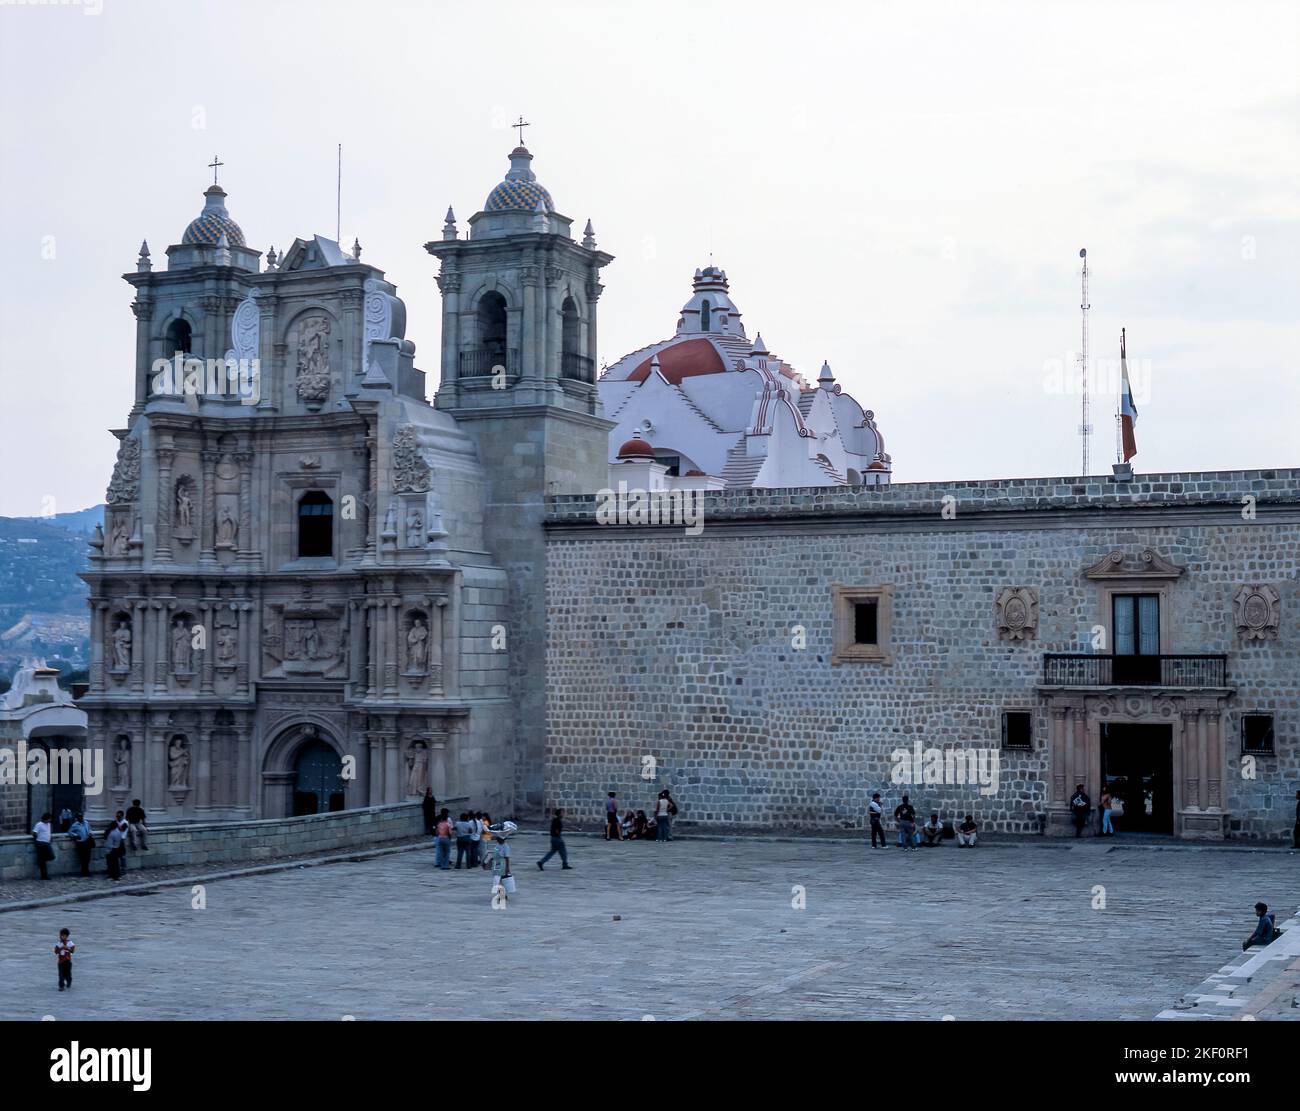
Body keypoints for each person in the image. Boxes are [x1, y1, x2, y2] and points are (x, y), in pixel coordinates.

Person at [68, 812, 94, 877]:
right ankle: (84, 872)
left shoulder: (86, 823)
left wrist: (90, 832)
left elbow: (90, 829)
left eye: (81, 816)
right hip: (81, 843)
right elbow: (70, 832)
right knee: (83, 858)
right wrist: (76, 835)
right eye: (79, 817)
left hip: (87, 841)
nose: (80, 818)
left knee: (87, 857)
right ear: (77, 818)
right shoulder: (75, 825)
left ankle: (86, 871)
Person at [31, 812, 54, 880]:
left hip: (47, 843)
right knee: (43, 859)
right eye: (49, 819)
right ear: (45, 818)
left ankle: (41, 861)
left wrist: (50, 837)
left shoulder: (49, 824)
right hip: (41, 843)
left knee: (51, 856)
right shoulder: (39, 824)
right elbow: (34, 832)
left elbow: (48, 832)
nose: (50, 820)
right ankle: (44, 875)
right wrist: (38, 840)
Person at [104, 816, 127, 880]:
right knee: (115, 863)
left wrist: (108, 850)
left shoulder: (112, 833)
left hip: (111, 849)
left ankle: (112, 875)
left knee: (111, 864)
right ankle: (116, 875)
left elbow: (109, 843)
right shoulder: (118, 832)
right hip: (116, 848)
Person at [54, 928, 75, 992]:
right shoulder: (58, 943)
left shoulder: (70, 943)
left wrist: (67, 948)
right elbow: (56, 952)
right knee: (61, 974)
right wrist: (61, 948)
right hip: (61, 962)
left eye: (64, 936)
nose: (62, 937)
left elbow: (72, 951)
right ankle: (61, 986)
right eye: (61, 935)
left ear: (67, 936)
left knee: (68, 974)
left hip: (68, 961)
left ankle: (69, 982)